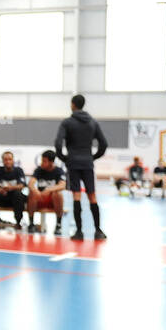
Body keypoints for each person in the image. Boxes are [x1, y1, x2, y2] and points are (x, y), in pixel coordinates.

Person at [55, 93, 108, 241]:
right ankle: (98, 231)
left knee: (76, 196)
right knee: (92, 196)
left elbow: (58, 143)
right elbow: (103, 144)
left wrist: (64, 158)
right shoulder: (92, 122)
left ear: (72, 104)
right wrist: (92, 157)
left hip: (73, 163)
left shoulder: (67, 122)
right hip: (87, 163)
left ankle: (79, 232)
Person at [0, 150, 28, 228]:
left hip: (14, 198)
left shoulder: (18, 170)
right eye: (5, 160)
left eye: (9, 159)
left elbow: (22, 185)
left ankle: (18, 222)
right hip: (1, 197)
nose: (8, 162)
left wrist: (10, 188)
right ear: (3, 161)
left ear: (13, 160)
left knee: (19, 195)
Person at [27, 150, 66, 234]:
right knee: (32, 193)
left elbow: (63, 185)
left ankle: (58, 225)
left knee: (58, 194)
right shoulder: (39, 170)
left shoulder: (58, 171)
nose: (42, 163)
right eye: (42, 160)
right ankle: (31, 223)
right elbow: (30, 183)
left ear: (51, 162)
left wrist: (49, 189)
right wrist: (35, 191)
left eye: (44, 161)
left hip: (53, 201)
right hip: (40, 198)